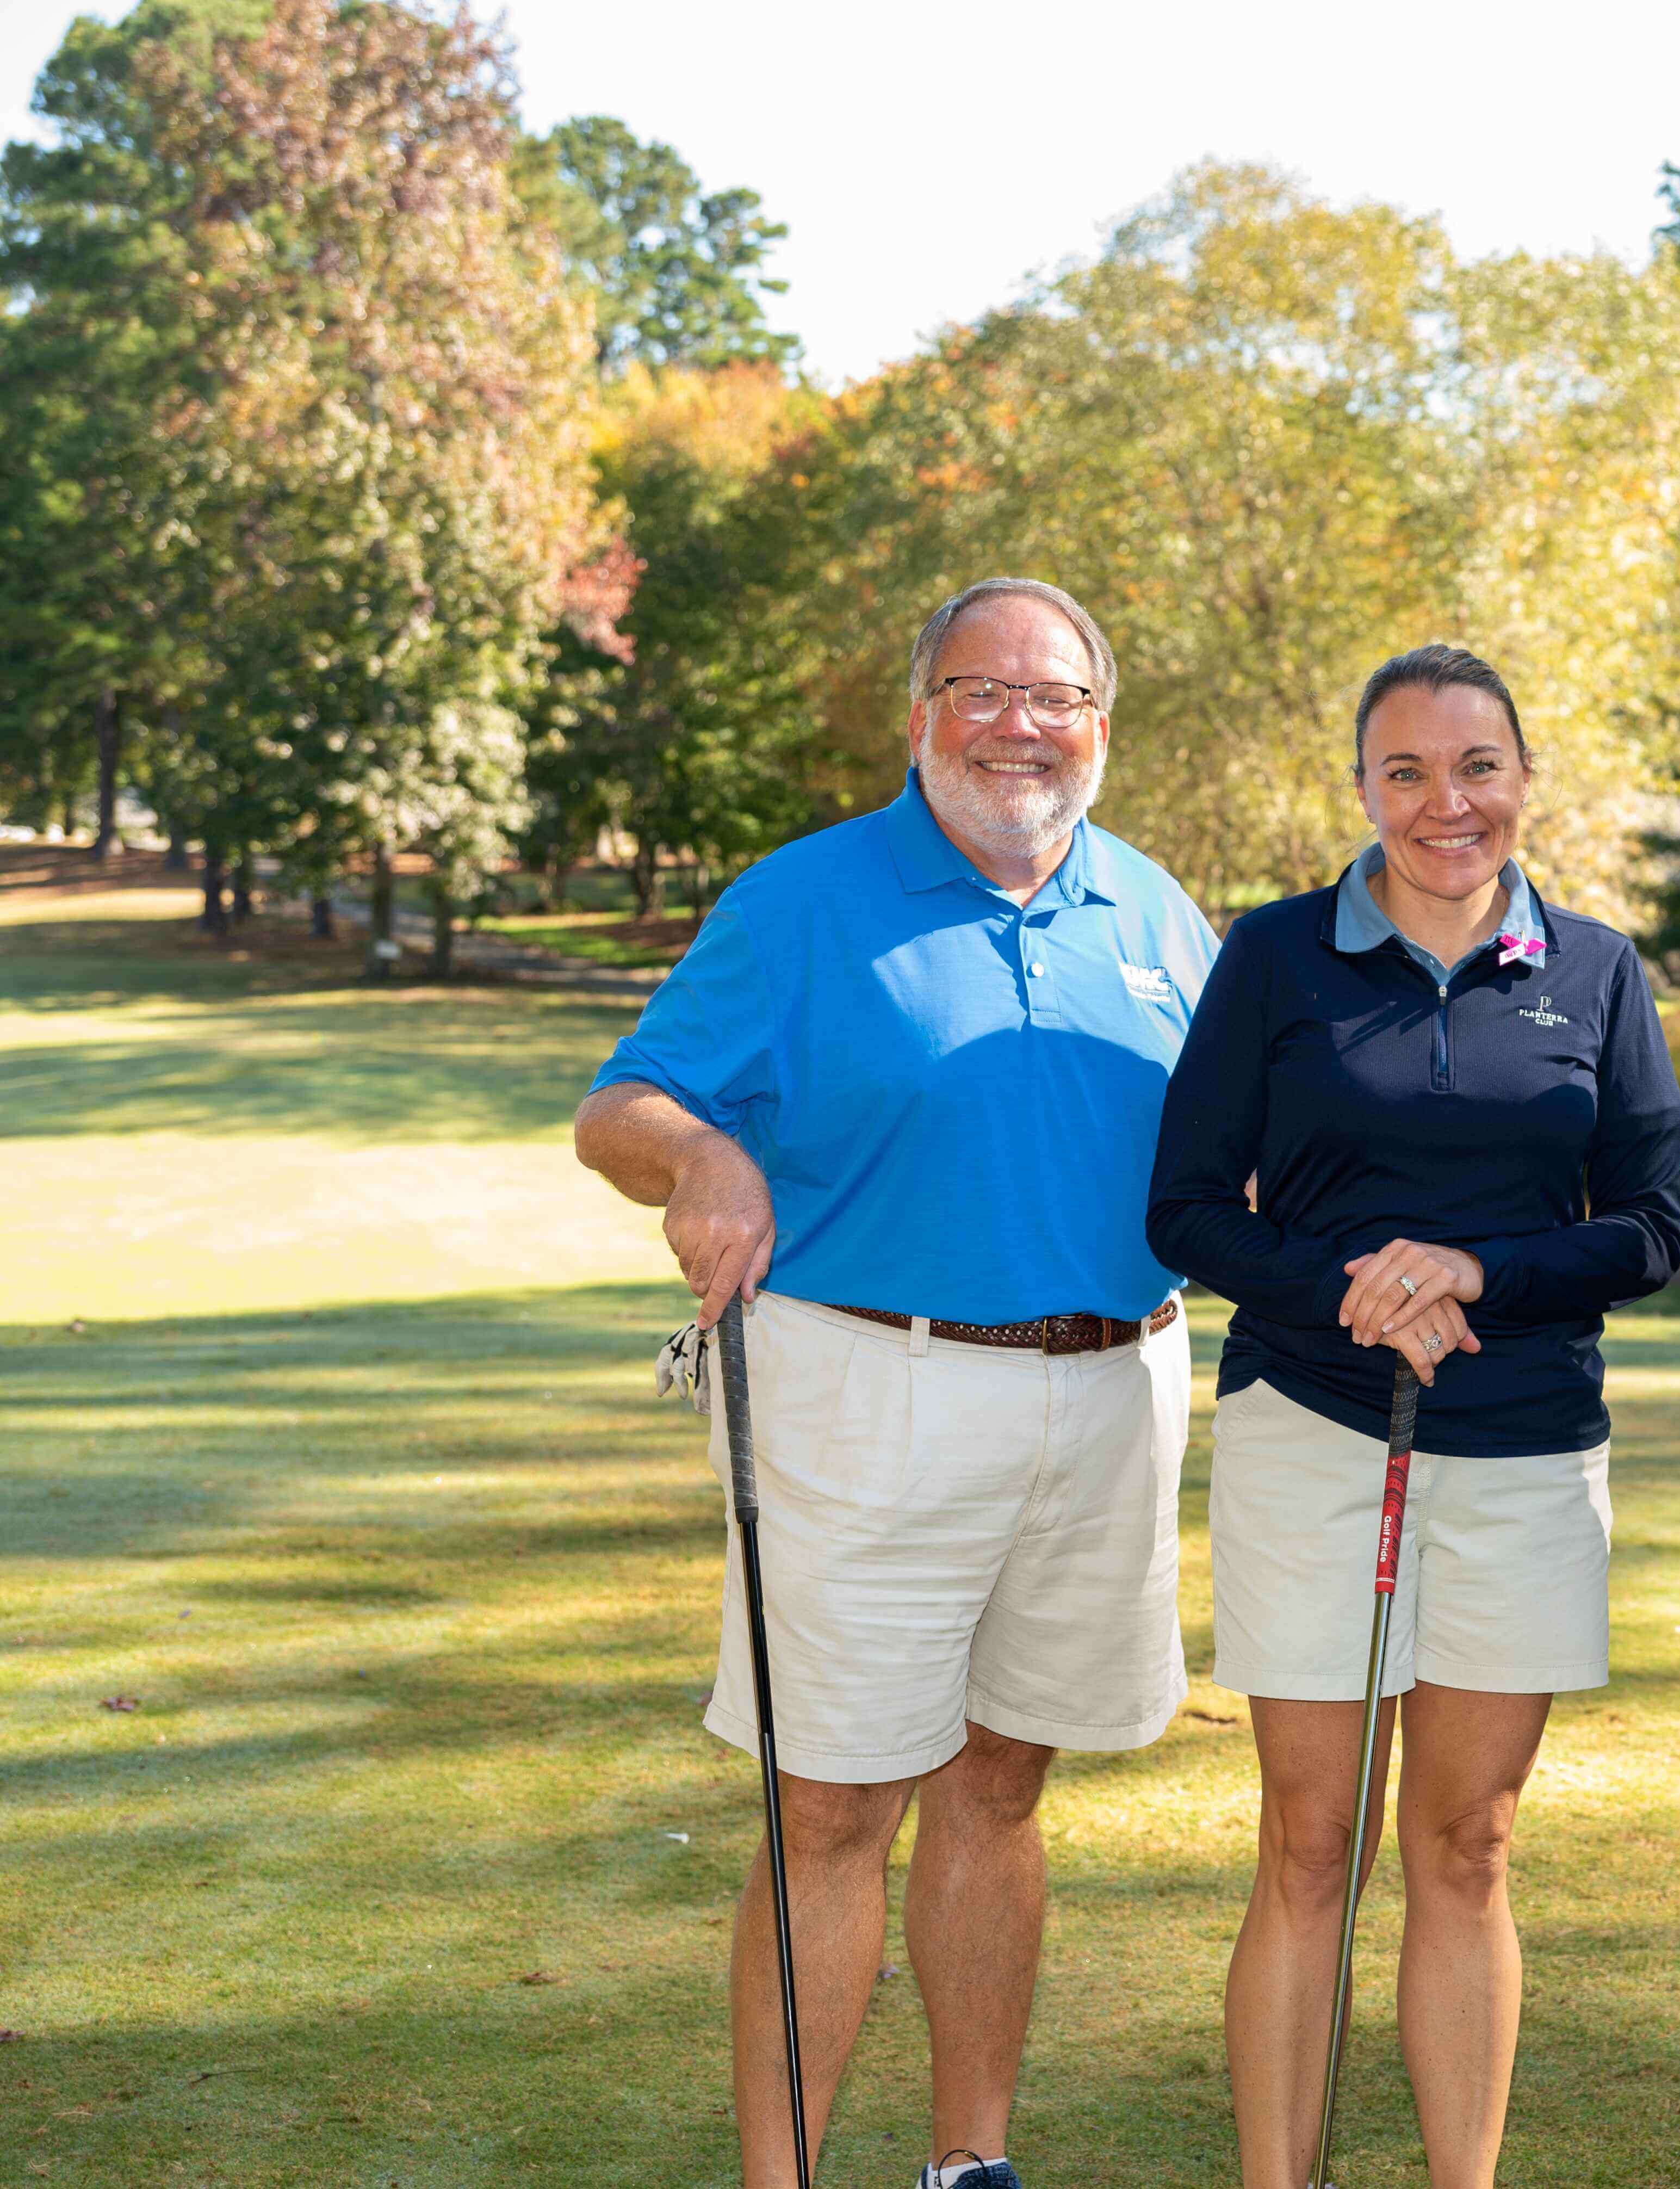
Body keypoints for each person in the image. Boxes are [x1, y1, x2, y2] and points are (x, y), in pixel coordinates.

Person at [575, 577, 1220, 2189]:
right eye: (979, 688)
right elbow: (620, 1108)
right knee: (834, 1810)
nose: (1020, 722)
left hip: (1112, 1393)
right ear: (921, 712)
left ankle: (967, 2165)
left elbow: (1247, 1154)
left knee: (1003, 1787)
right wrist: (704, 1149)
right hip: (865, 1390)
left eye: (1055, 694)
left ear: (1101, 723)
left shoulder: (1155, 911)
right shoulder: (803, 901)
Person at [1145, 642, 1680, 2189]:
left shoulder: (1596, 968)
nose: (1446, 803)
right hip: (1314, 1434)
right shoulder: (1274, 957)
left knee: (1470, 1847)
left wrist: (1481, 1270)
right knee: (1313, 1845)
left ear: (1524, 778)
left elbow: (1652, 1224)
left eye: (1477, 768)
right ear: (1365, 788)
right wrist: (1353, 1288)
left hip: (1526, 1449)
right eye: (1407, 771)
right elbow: (1185, 1209)